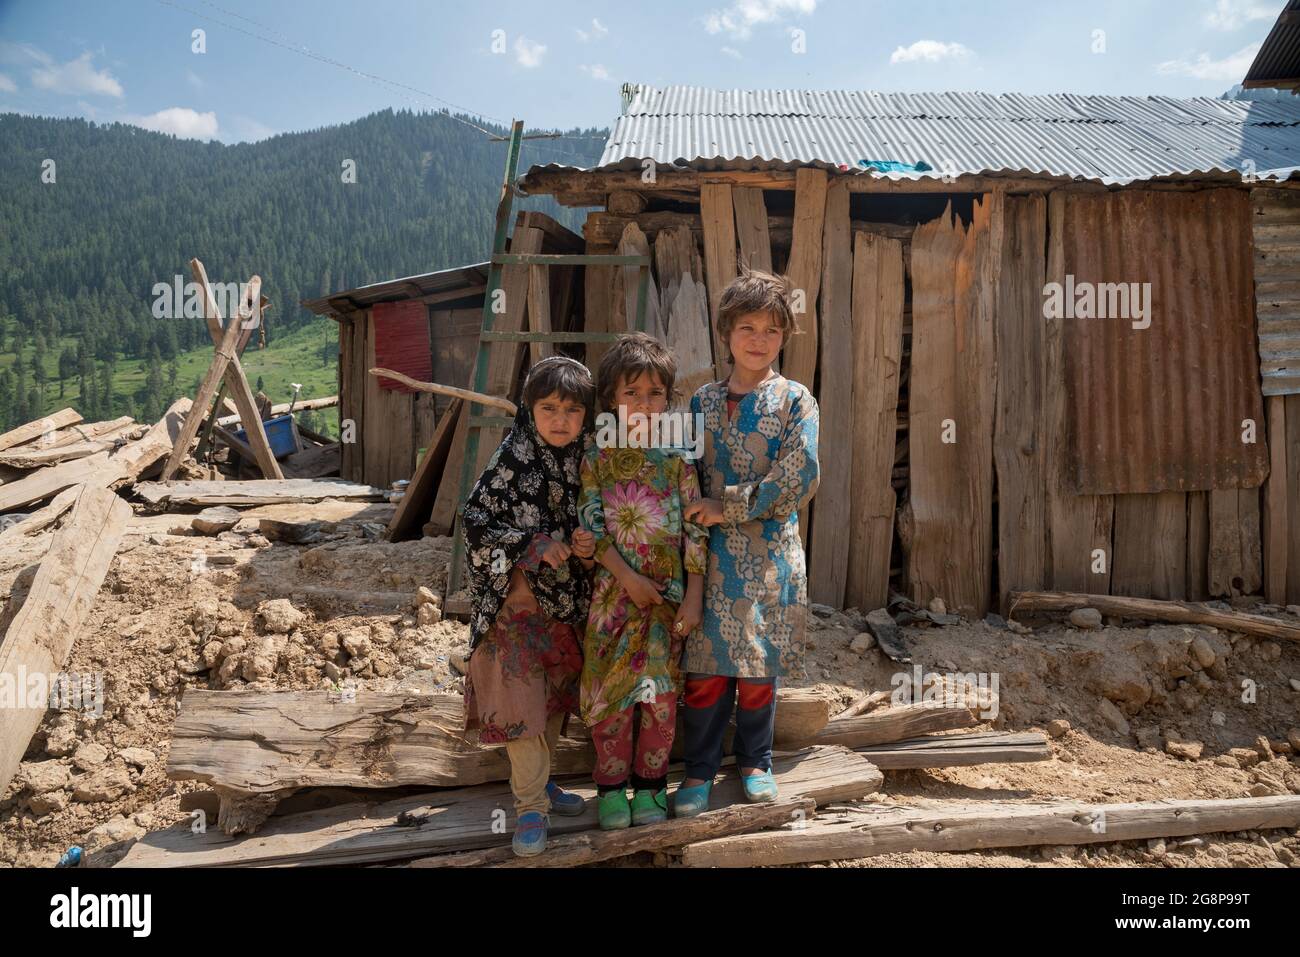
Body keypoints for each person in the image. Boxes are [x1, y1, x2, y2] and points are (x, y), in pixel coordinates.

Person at [677, 270, 820, 816]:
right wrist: (698, 519)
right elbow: (684, 478)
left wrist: (727, 506)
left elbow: (799, 476)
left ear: (784, 337)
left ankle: (756, 761)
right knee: (707, 668)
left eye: (771, 329)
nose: (758, 339)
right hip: (710, 563)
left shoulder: (794, 402)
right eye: (747, 327)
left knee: (758, 668)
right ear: (726, 332)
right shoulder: (701, 403)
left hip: (769, 560)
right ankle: (698, 769)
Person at [462, 355, 599, 857]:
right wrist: (531, 543)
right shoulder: (512, 458)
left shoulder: (589, 460)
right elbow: (474, 521)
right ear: (528, 410)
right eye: (548, 408)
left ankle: (542, 785)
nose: (560, 420)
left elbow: (596, 519)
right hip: (512, 613)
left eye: (571, 410)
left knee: (553, 702)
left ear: (586, 415)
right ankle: (529, 808)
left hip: (563, 608)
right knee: (521, 707)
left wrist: (585, 545)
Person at [578, 333, 707, 829]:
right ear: (611, 397)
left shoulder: (677, 457)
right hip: (613, 598)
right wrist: (627, 578)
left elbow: (696, 532)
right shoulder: (596, 457)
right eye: (632, 393)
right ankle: (610, 790)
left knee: (659, 699)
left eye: (655, 394)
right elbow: (591, 526)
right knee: (608, 696)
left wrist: (693, 598)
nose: (644, 405)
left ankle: (651, 788)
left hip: (667, 603)